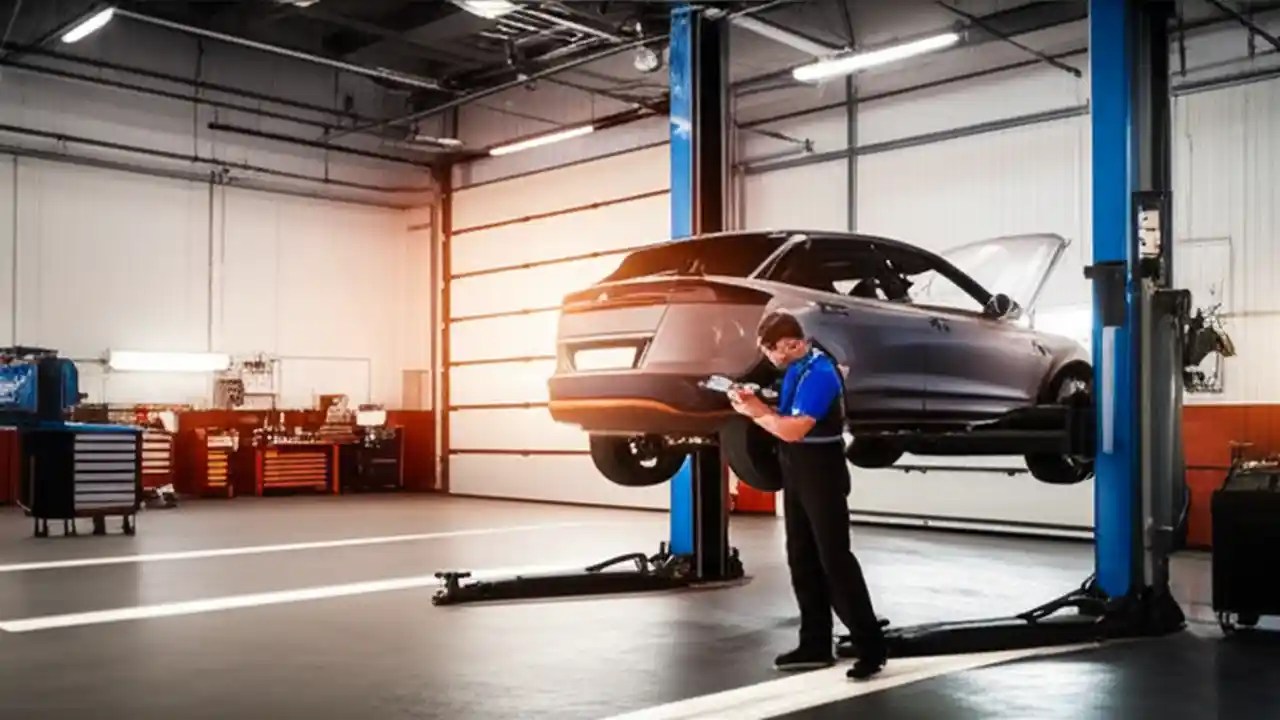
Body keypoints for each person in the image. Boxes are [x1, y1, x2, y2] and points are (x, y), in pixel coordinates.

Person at [727, 310, 887, 681]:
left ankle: (871, 646)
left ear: (792, 344)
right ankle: (814, 643)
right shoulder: (795, 369)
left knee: (835, 559)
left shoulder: (820, 372)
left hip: (821, 469)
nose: (769, 357)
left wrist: (755, 412)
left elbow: (794, 429)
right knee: (801, 557)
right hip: (796, 468)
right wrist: (756, 402)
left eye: (771, 350)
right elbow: (786, 414)